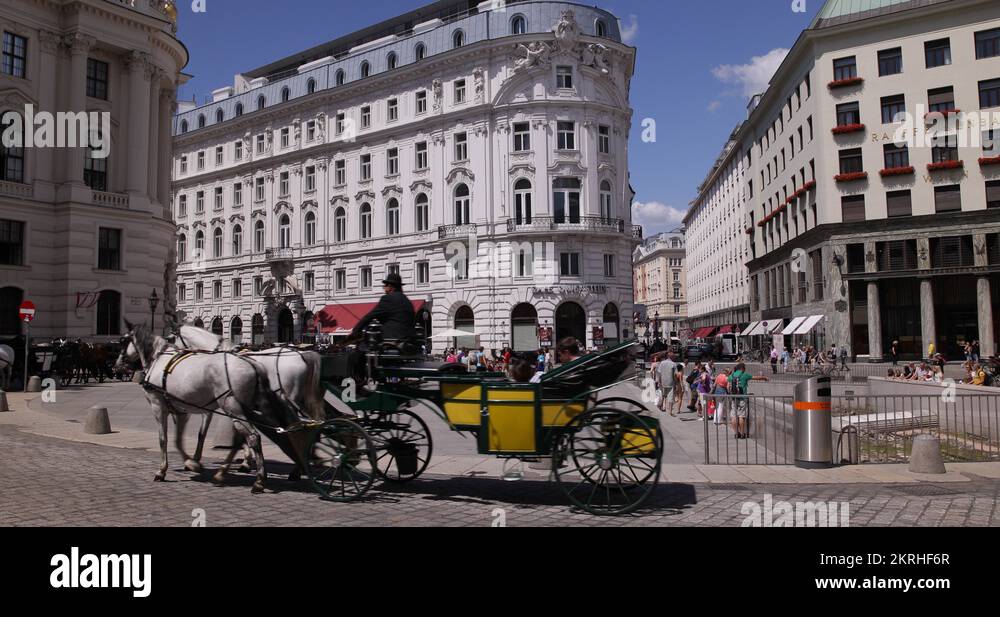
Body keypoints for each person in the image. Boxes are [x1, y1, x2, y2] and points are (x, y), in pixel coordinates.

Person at [350, 273, 416, 342]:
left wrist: (356, 331)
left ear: (390, 287)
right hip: (409, 340)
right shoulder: (407, 300)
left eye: (385, 286)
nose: (384, 288)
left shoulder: (387, 299)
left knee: (366, 345)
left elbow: (370, 316)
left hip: (393, 339)